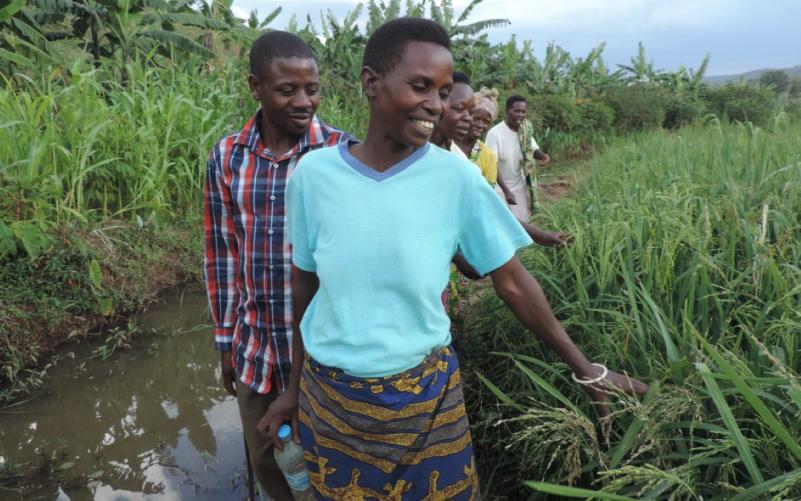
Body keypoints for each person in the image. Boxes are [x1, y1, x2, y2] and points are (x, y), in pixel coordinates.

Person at [260, 18, 647, 499]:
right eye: (420, 86)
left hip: (427, 400)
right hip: (333, 402)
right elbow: (306, 287)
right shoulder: (313, 176)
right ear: (370, 82)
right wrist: (294, 387)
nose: (434, 105)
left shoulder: (455, 178)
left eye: (443, 92)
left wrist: (586, 367)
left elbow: (511, 281)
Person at [203, 31, 348, 500]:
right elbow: (223, 254)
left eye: (312, 89)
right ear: (256, 87)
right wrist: (227, 343)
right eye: (288, 90)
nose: (304, 101)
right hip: (256, 348)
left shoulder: (343, 156)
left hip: (327, 353)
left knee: (331, 465)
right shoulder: (227, 157)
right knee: (268, 464)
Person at [485, 95, 550, 220]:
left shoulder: (524, 131)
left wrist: (542, 156)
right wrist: (505, 190)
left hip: (519, 184)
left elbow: (533, 149)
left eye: (523, 111)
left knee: (522, 223)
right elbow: (492, 164)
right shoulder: (495, 134)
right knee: (503, 224)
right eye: (516, 111)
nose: (520, 115)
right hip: (499, 187)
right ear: (507, 111)